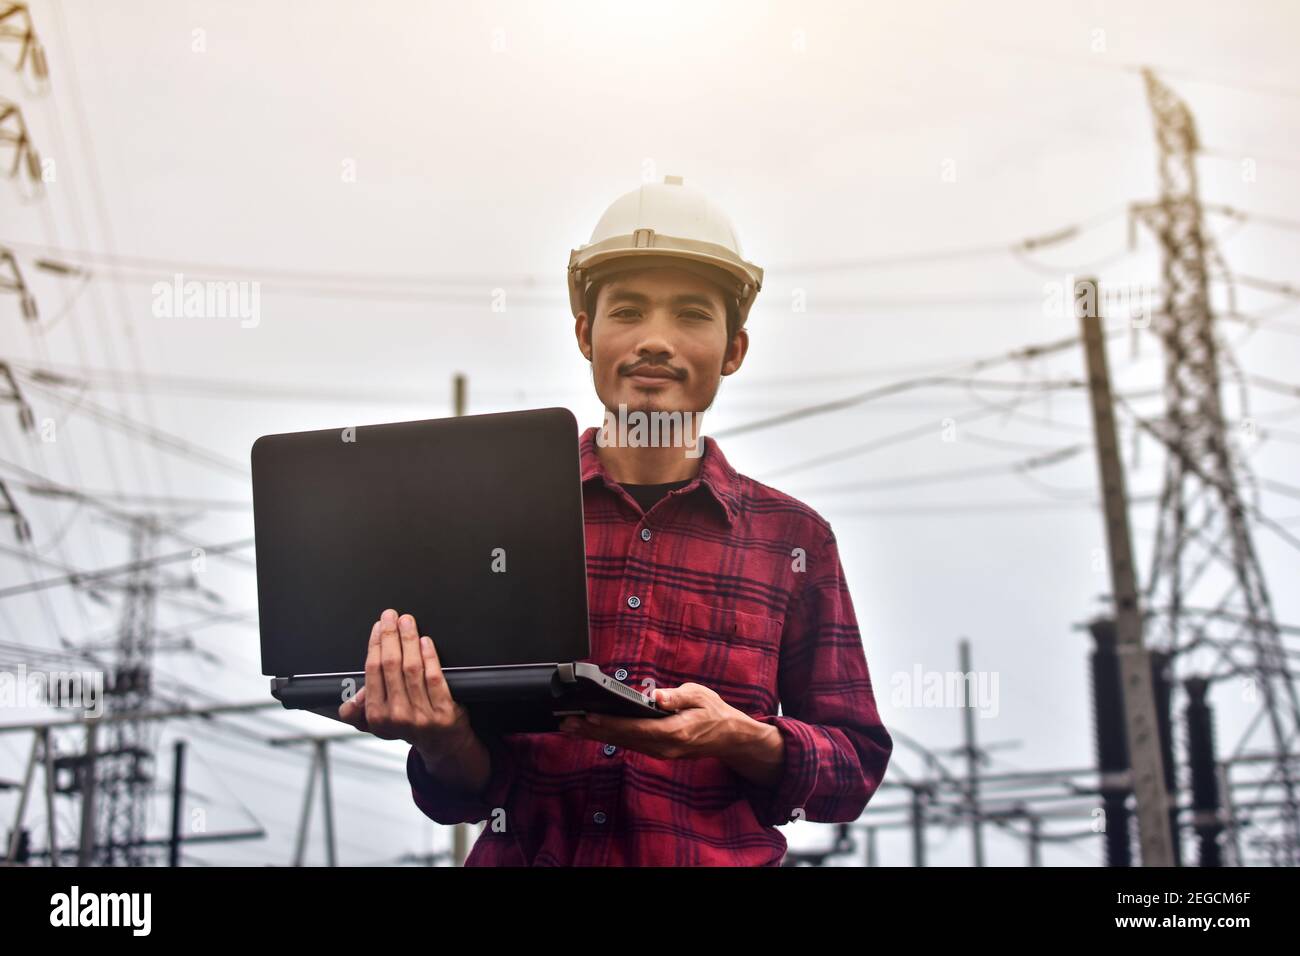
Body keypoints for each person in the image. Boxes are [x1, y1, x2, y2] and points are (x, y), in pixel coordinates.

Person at [338, 176, 892, 865]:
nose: (655, 341)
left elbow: (854, 772)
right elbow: (467, 793)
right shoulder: (496, 521)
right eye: (627, 311)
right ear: (584, 334)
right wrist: (441, 739)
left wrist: (738, 735)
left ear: (734, 351)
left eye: (691, 315)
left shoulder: (793, 541)